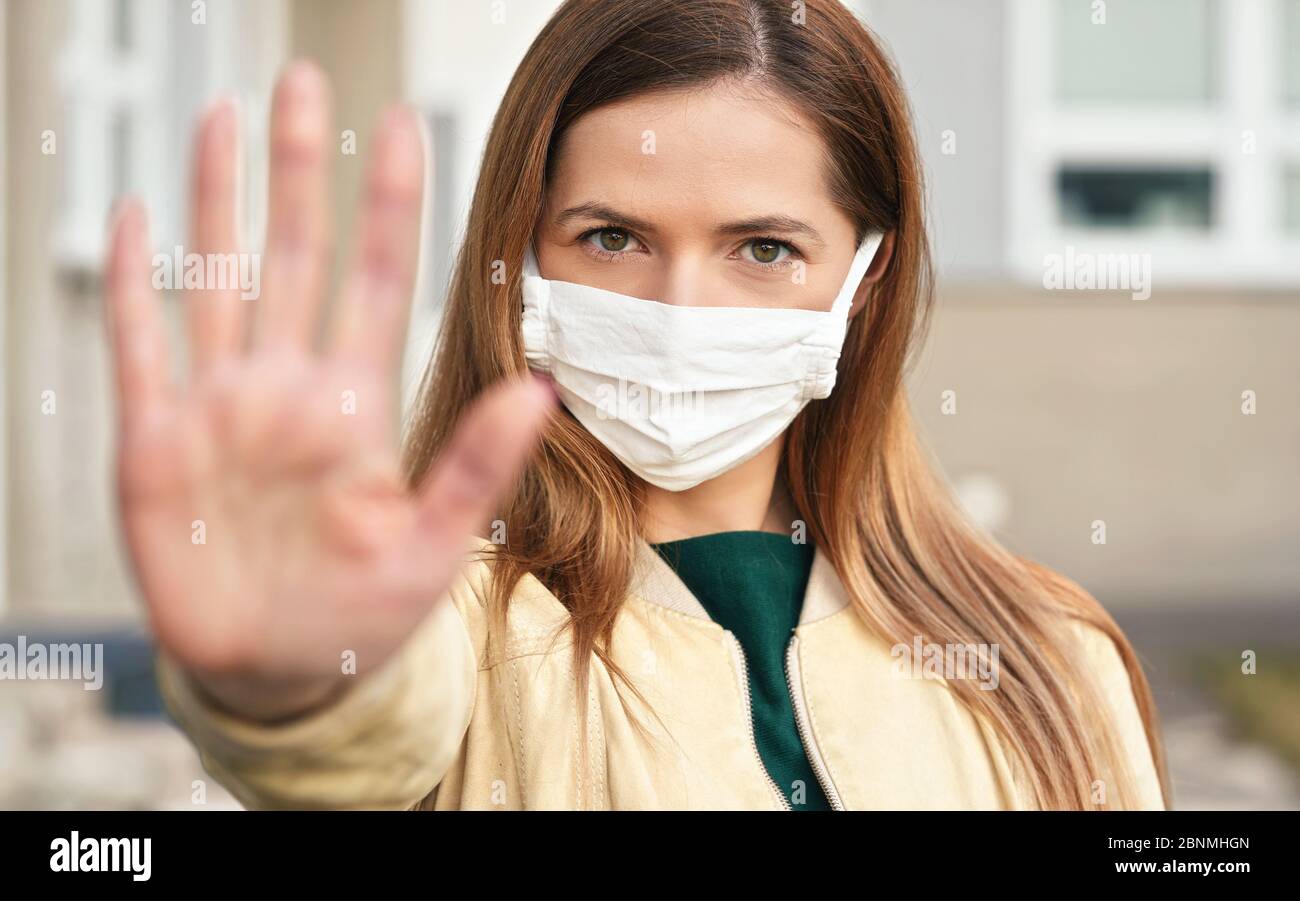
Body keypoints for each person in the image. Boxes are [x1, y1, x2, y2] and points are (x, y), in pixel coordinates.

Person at [104, 0, 1170, 810]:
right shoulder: (447, 630)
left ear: (866, 279)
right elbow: (361, 737)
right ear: (519, 254)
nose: (676, 309)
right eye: (611, 237)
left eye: (763, 248)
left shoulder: (1047, 656)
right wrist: (300, 680)